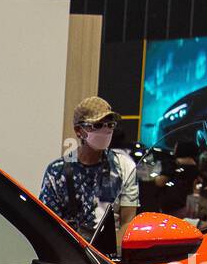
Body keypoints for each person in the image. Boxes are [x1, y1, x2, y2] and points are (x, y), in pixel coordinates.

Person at [40, 96, 139, 250]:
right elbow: (49, 226)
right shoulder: (57, 171)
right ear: (79, 131)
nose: (105, 130)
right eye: (97, 125)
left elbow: (128, 222)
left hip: (111, 258)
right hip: (71, 255)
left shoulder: (125, 166)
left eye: (110, 125)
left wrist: (109, 254)